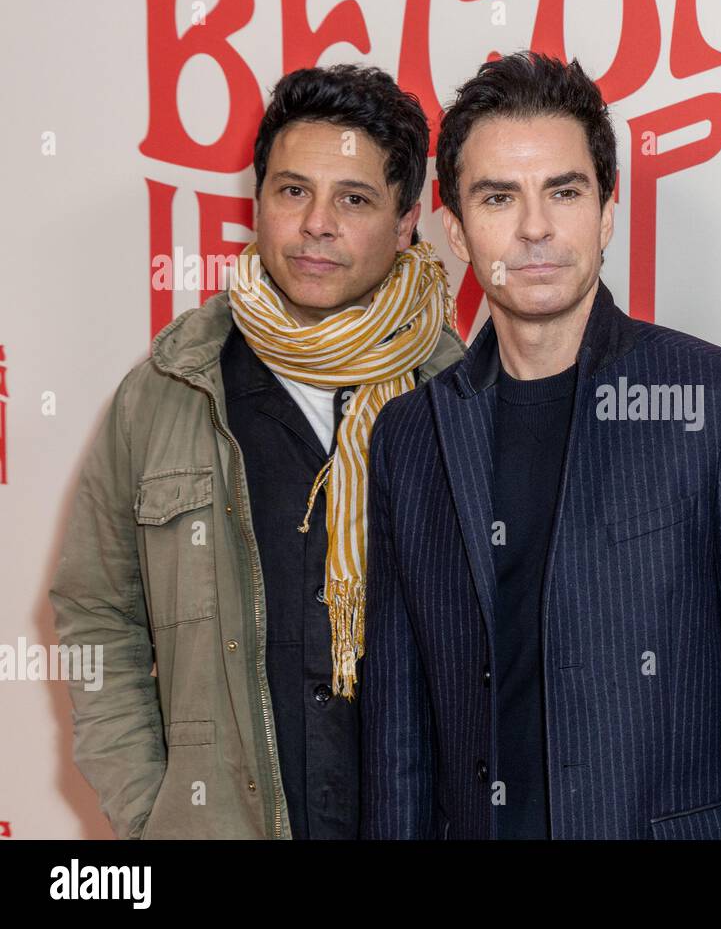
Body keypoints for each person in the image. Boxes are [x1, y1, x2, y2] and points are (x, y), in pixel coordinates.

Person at [360, 52, 721, 839]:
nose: (535, 228)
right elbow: (398, 720)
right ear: (456, 231)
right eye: (498, 197)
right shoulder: (412, 434)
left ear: (607, 213)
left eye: (564, 191)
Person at [49, 64, 465, 838]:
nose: (316, 223)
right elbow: (97, 616)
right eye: (293, 190)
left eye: (354, 199)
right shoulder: (168, 393)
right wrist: (153, 814)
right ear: (259, 201)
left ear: (408, 222)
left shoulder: (460, 396)